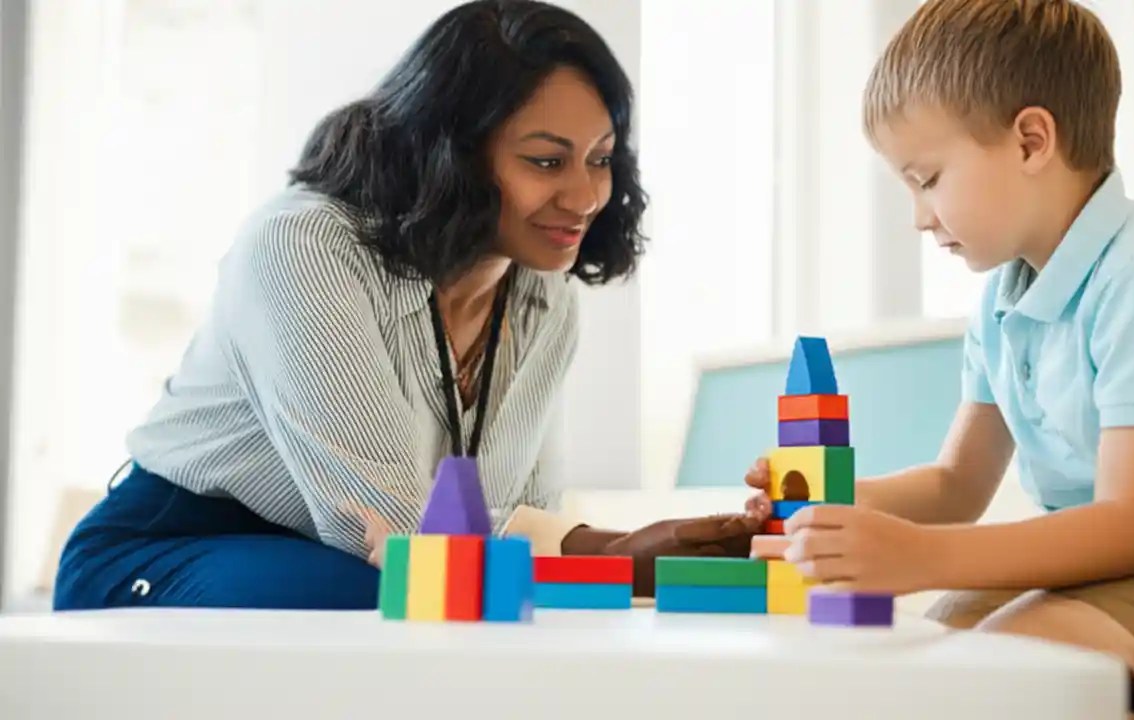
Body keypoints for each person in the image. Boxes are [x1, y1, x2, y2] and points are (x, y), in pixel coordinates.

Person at [54, 0, 758, 612]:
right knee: (420, 599)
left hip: (358, 561)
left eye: (600, 159)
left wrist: (638, 548)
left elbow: (520, 515)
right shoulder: (303, 245)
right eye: (546, 161)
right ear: (450, 154)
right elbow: (387, 527)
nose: (583, 197)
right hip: (165, 551)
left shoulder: (543, 296)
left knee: (514, 603)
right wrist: (605, 558)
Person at [745, 0, 1134, 708]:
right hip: (1099, 549)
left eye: (927, 179)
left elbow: (1128, 527)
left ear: (1031, 141)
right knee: (913, 661)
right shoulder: (1005, 297)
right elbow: (955, 486)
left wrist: (917, 556)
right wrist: (833, 505)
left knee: (1004, 674)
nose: (919, 217)